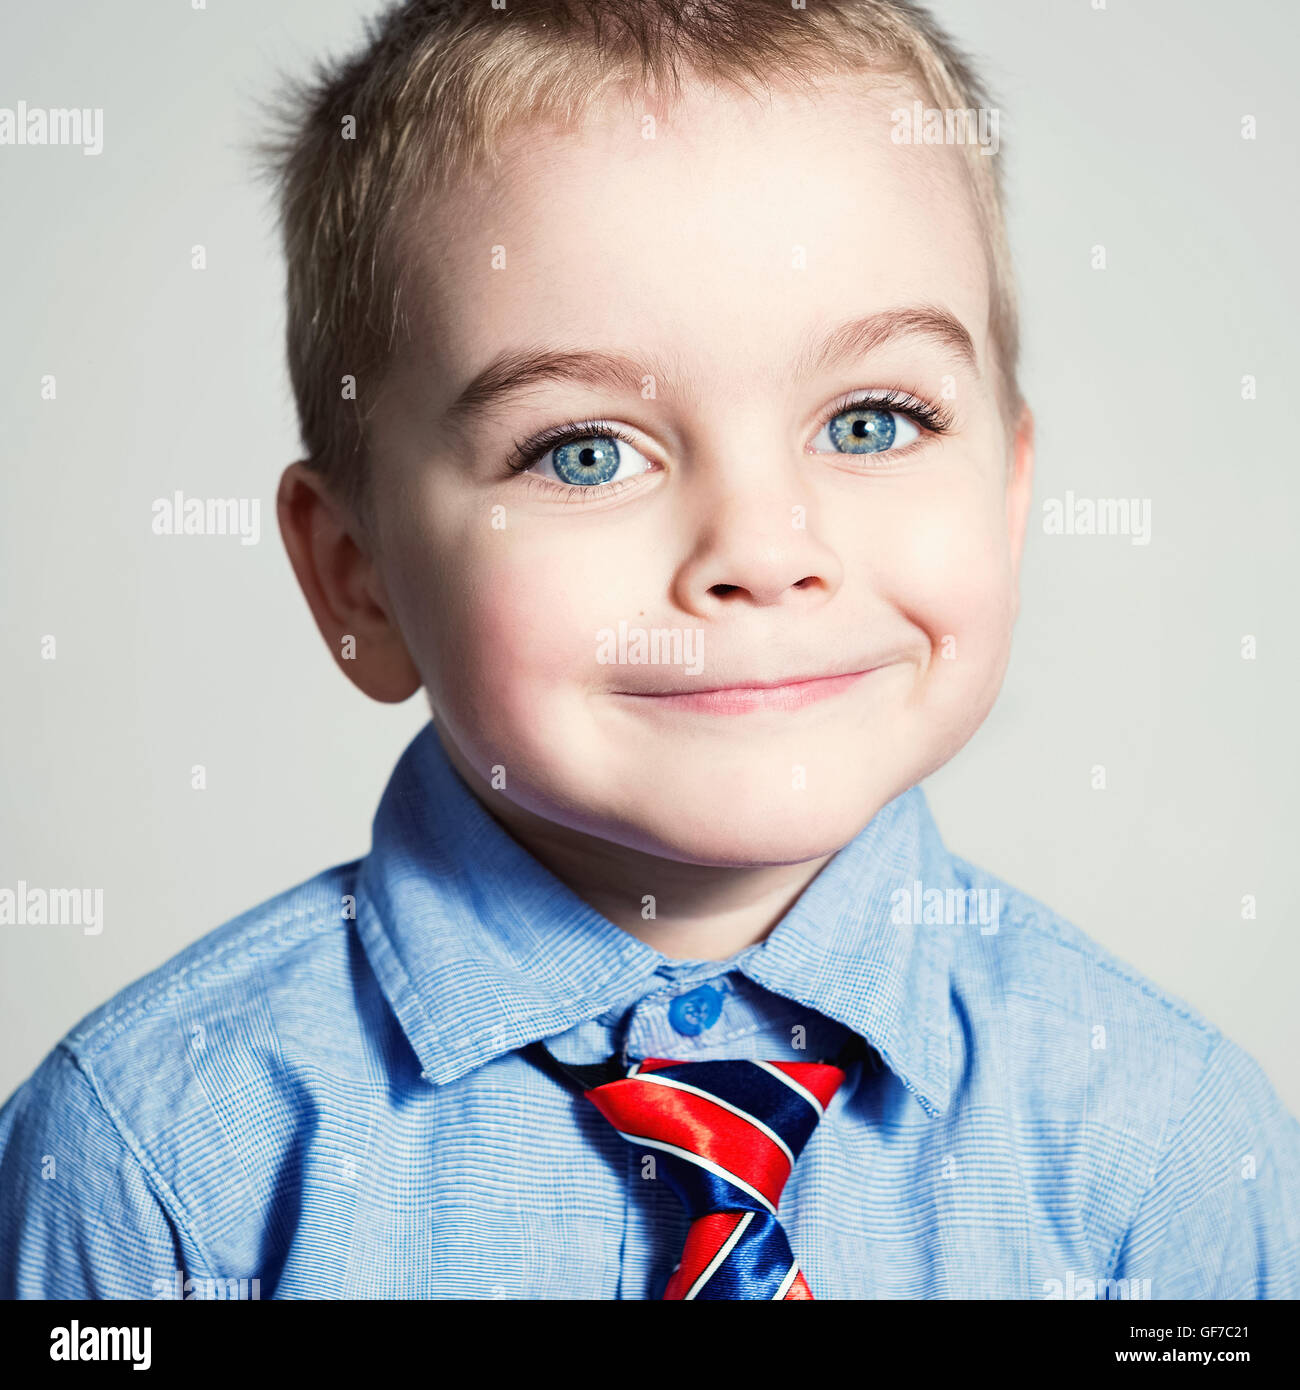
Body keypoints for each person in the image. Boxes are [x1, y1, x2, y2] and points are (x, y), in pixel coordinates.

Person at [2, 0, 1296, 1299]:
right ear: (362, 577)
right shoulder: (151, 1166)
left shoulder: (1166, 1151)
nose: (764, 547)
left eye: (871, 423)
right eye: (585, 452)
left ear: (1010, 506)